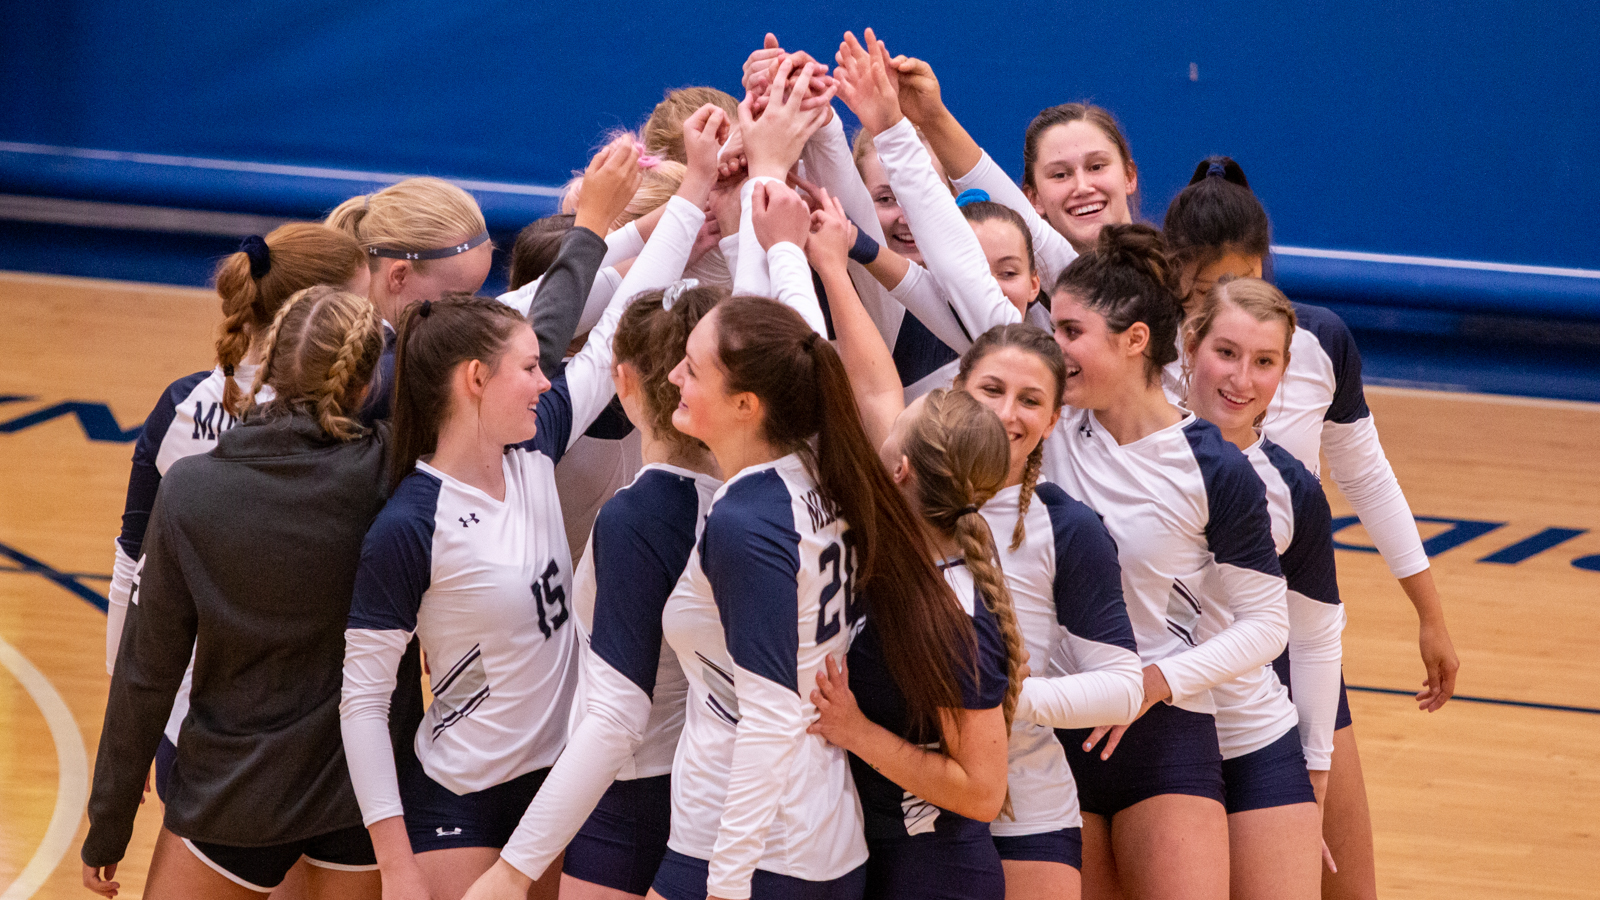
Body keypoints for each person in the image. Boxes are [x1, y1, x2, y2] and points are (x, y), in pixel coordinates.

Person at [338, 135, 707, 900]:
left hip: (558, 785)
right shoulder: (410, 524)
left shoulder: (534, 447)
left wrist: (696, 189)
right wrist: (397, 862)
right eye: (533, 367)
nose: (548, 381)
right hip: (459, 802)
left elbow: (614, 343)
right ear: (476, 379)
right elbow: (364, 703)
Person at [810, 188, 1143, 900]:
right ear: (957, 390)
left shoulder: (1069, 527)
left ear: (1054, 420)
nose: (1006, 413)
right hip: (887, 813)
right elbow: (871, 389)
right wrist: (834, 264)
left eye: (1030, 401)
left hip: (1020, 803)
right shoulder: (899, 495)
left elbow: (1120, 686)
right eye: (991, 389)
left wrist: (986, 707)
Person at [1163, 159, 1460, 900]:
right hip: (1183, 655)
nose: (1238, 372)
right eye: (1199, 294)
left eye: (1233, 282)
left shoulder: (1321, 343)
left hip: (1294, 644)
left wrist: (1430, 612)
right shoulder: (1155, 356)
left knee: (1344, 880)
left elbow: (1370, 480)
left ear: (1262, 267)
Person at [83, 287, 388, 900]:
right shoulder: (392, 469)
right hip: (361, 796)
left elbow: (147, 672)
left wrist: (108, 825)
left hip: (232, 793)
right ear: (366, 384)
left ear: (269, 370)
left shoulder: (192, 491)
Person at [1041, 224, 1290, 900]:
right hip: (1052, 733)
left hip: (1165, 731)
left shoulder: (1213, 465)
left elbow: (1268, 625)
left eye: (1070, 332)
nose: (1051, 348)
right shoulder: (1043, 425)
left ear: (1134, 339)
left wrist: (1157, 681)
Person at [459, 280, 724, 900]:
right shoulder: (747, 497)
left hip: (630, 799)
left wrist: (513, 869)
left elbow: (615, 719)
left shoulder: (638, 517)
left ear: (622, 381)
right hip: (705, 781)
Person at [105, 224, 369, 803]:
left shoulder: (181, 403)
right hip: (302, 729)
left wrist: (130, 728)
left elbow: (131, 564)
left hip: (187, 722)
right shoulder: (337, 425)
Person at [1180, 276, 1347, 898]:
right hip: (1147, 737)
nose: (1241, 380)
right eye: (1226, 352)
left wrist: (1316, 781)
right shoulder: (1124, 450)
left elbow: (1314, 637)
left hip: (1254, 737)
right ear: (1191, 344)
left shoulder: (1293, 487)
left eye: (1264, 362)